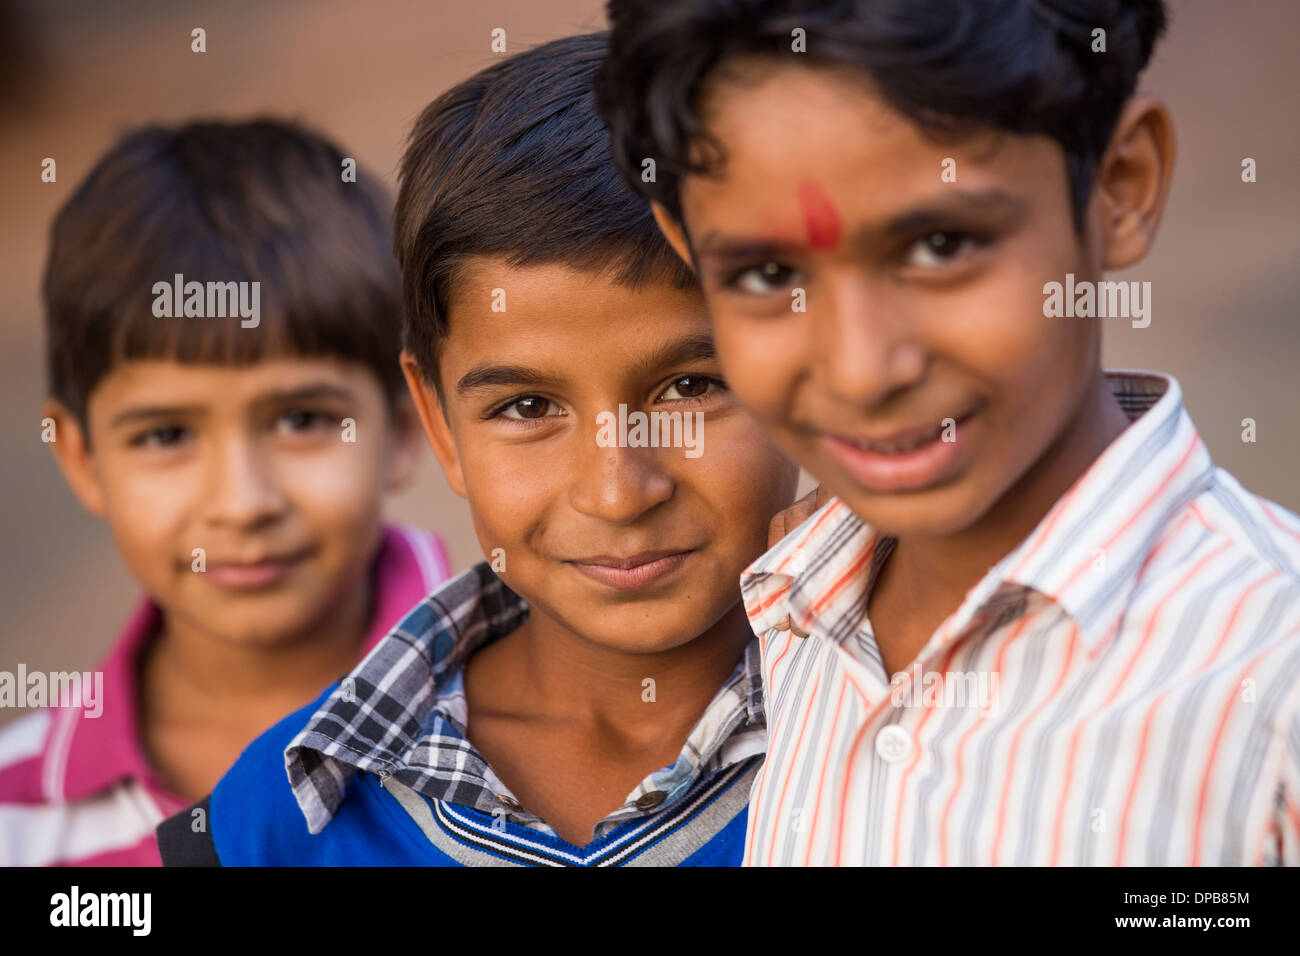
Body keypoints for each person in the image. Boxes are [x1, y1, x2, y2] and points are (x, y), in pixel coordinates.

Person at [596, 0, 1300, 864]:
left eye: (940, 245)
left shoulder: (1273, 683)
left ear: (1119, 186)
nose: (862, 368)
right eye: (768, 272)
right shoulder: (796, 605)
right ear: (689, 249)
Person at [156, 33, 799, 866]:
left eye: (689, 388)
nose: (618, 490)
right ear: (437, 423)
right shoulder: (283, 818)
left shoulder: (913, 742)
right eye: (528, 406)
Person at [0, 119, 450, 866]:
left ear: (404, 429)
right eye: (166, 435)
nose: (242, 503)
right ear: (80, 458)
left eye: (302, 420)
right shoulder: (18, 813)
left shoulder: (538, 736)